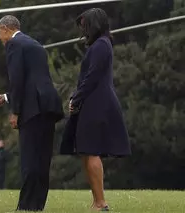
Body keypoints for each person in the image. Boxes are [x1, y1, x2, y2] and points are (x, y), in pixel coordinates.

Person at [60, 8, 131, 211]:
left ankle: (101, 202)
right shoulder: (100, 45)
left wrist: (76, 97)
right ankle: (96, 201)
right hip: (92, 103)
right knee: (86, 150)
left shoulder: (101, 45)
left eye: (85, 25)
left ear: (94, 24)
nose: (83, 29)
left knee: (91, 150)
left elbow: (92, 77)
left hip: (97, 104)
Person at [0, 15, 64, 211]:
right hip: (48, 106)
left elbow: (17, 80)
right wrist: (7, 97)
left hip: (31, 110)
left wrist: (15, 111)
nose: (0, 39)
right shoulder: (35, 45)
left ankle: (26, 205)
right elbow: (33, 80)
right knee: (43, 159)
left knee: (30, 158)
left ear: (6, 29)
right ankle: (37, 204)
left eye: (0, 34)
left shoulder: (14, 44)